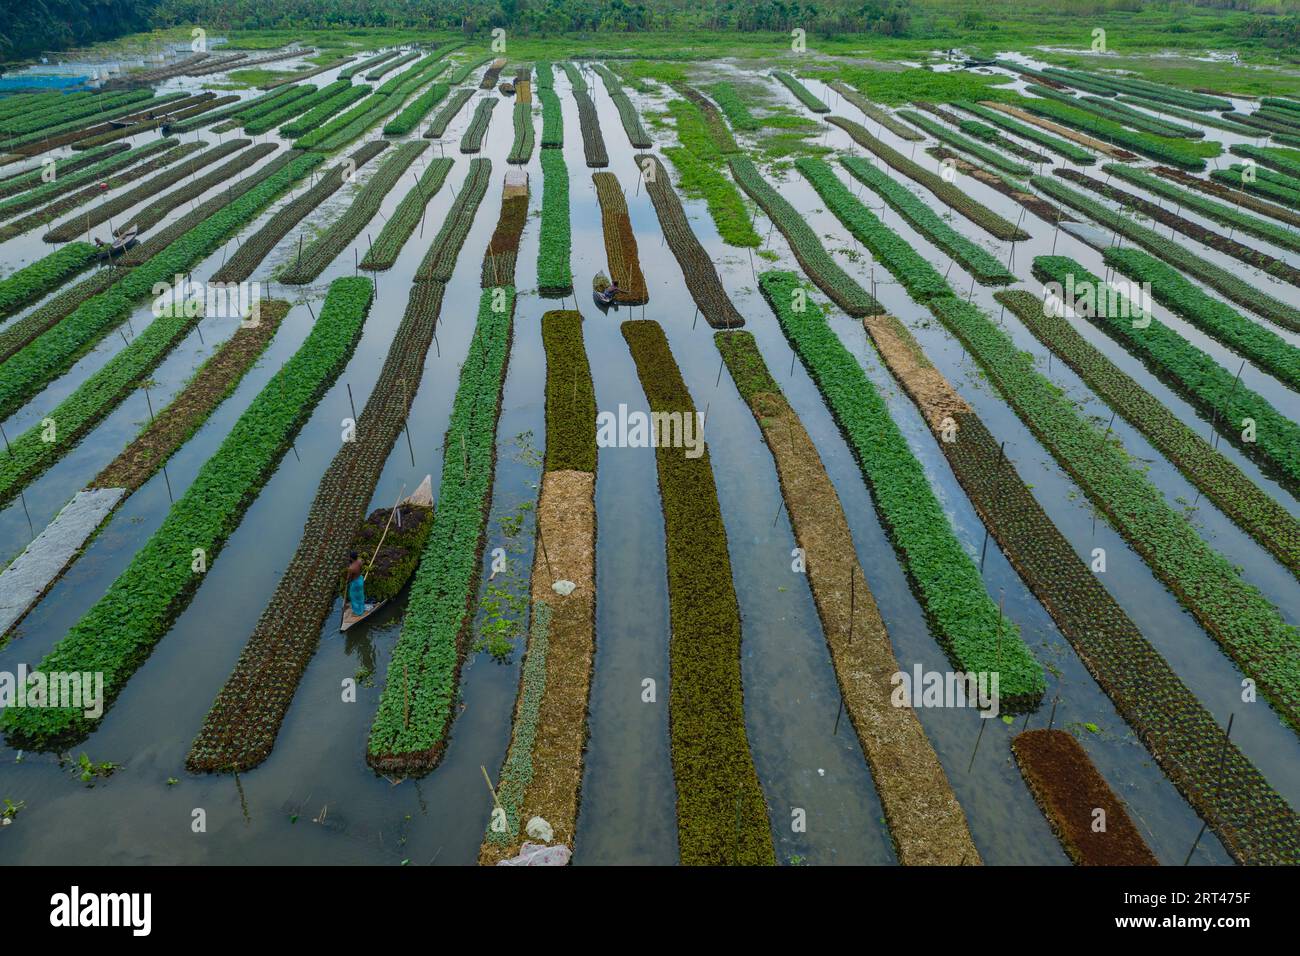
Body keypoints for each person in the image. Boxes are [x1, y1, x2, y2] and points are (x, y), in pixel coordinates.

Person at [346, 551, 375, 617]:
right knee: (360, 595)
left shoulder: (351, 568)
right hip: (360, 580)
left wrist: (347, 582)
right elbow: (361, 566)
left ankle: (358, 611)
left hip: (355, 583)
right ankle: (361, 607)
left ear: (351, 558)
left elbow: (348, 578)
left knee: (354, 596)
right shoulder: (360, 561)